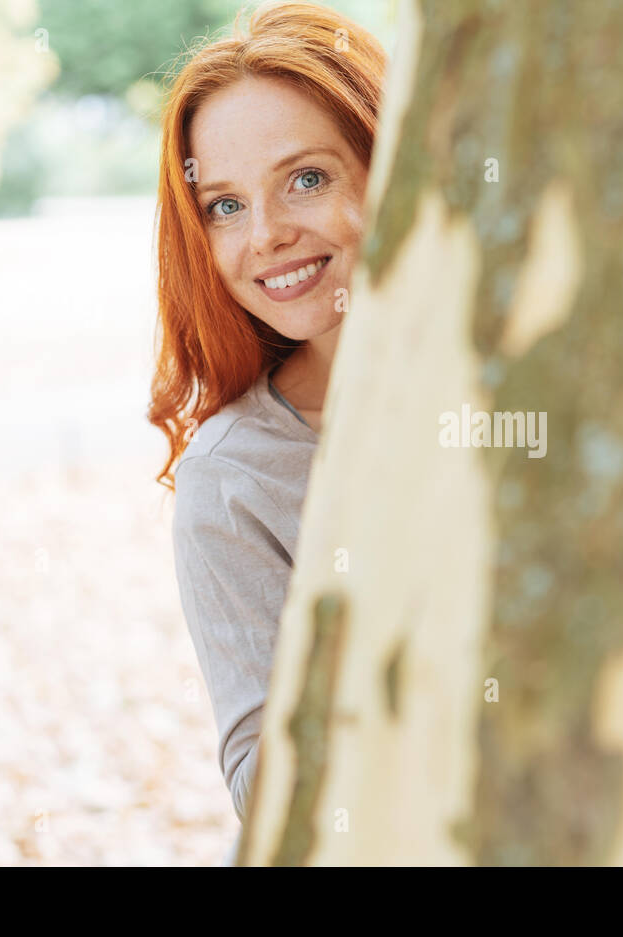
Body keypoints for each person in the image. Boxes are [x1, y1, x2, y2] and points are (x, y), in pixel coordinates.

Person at [146, 0, 386, 863]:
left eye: (308, 178)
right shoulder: (236, 474)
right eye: (224, 205)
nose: (268, 235)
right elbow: (266, 789)